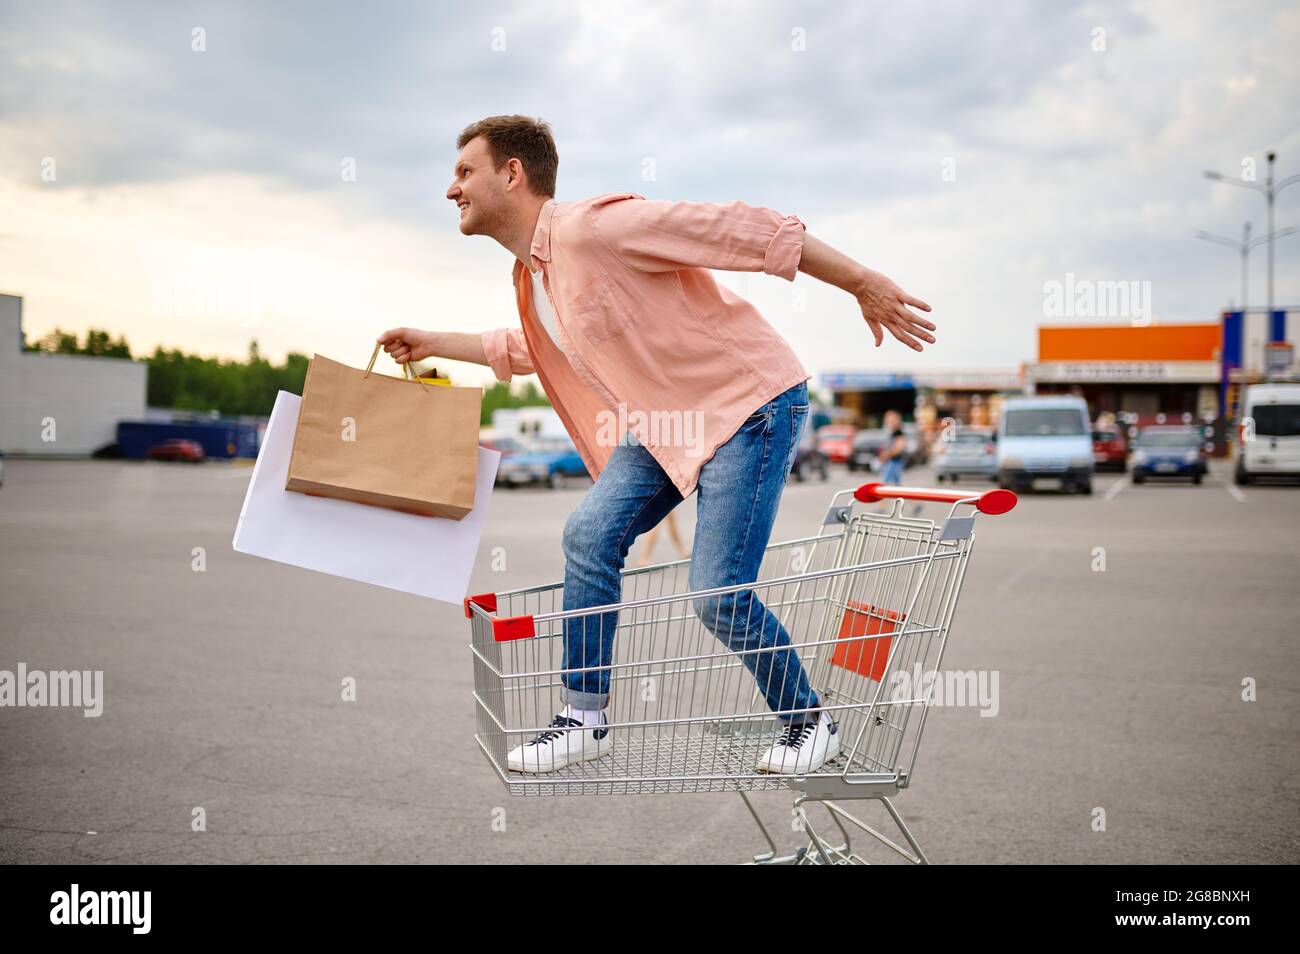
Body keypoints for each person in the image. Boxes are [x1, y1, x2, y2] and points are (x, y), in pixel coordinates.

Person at [378, 115, 934, 775]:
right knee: (588, 533)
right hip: (667, 427)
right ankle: (584, 718)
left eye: (464, 172)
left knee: (718, 595)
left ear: (512, 173)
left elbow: (740, 229)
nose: (452, 189)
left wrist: (861, 283)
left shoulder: (595, 228)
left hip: (746, 405)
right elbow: (532, 349)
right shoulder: (535, 279)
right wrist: (432, 341)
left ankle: (810, 721)